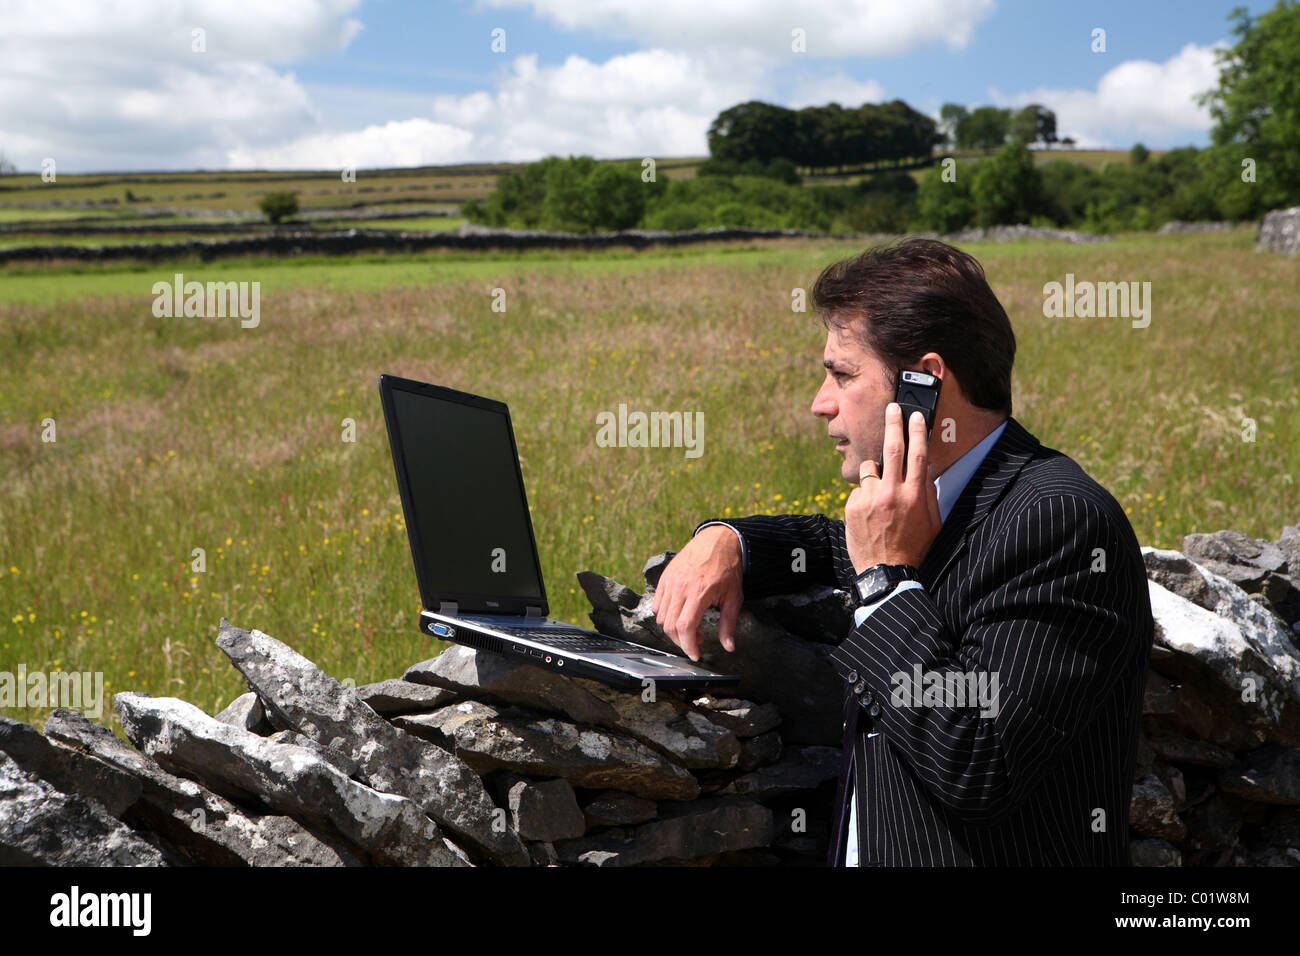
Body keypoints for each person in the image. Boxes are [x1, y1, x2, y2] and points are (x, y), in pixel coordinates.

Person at [651, 237, 1153, 866]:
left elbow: (978, 758)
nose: (819, 402)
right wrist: (728, 538)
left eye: (842, 373)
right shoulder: (935, 502)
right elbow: (829, 543)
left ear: (926, 383)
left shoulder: (1062, 522)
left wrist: (887, 581)